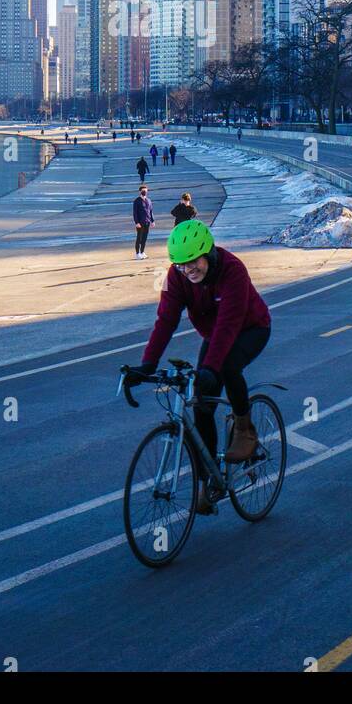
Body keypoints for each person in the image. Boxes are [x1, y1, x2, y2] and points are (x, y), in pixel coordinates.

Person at [125, 220, 271, 513]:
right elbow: (165, 320)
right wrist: (147, 364)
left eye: (193, 262)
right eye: (181, 264)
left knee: (227, 367)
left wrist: (210, 370)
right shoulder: (176, 276)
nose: (188, 269)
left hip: (250, 328)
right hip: (213, 334)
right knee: (201, 405)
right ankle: (208, 483)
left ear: (208, 253)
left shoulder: (232, 270)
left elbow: (229, 326)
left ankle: (245, 429)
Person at [132, 184, 154, 258]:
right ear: (140, 191)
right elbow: (135, 213)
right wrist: (136, 222)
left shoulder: (149, 200)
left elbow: (150, 211)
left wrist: (152, 221)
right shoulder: (137, 201)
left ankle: (142, 252)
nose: (144, 192)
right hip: (140, 223)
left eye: (145, 191)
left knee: (144, 238)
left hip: (147, 222)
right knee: (139, 237)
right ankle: (137, 254)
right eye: (143, 191)